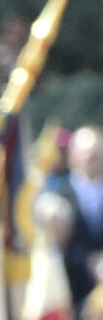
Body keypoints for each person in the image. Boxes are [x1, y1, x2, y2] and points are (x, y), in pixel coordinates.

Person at [43, 124, 103, 304]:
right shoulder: (57, 194)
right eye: (87, 155)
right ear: (73, 156)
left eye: (97, 154)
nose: (92, 159)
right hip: (71, 294)